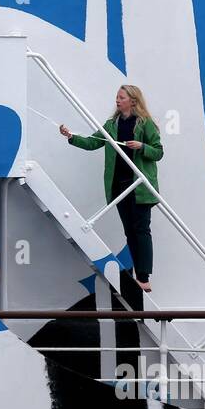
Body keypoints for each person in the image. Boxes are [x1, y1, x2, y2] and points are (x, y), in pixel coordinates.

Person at [59, 85, 164, 293]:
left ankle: (144, 277)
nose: (117, 100)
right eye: (117, 96)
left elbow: (159, 152)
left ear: (133, 101)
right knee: (129, 232)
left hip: (139, 188)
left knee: (141, 230)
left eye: (121, 97)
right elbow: (92, 143)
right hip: (119, 187)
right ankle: (138, 274)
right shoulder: (111, 124)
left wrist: (142, 147)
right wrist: (70, 136)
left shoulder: (146, 124)